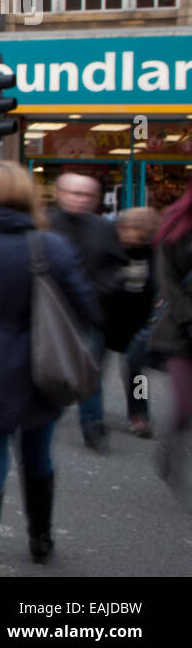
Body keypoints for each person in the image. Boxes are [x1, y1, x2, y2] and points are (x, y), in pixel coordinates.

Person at [0, 163, 97, 576]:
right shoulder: (51, 247)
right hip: (39, 372)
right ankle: (40, 537)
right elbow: (86, 310)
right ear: (31, 198)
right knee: (37, 456)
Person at [49, 173, 128, 450]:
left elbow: (118, 265)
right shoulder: (46, 224)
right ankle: (39, 419)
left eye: (87, 195)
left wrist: (104, 287)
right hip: (52, 312)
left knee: (89, 372)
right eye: (74, 193)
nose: (80, 199)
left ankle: (92, 424)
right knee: (45, 368)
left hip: (92, 311)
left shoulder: (104, 228)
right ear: (59, 193)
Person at [150, 179, 192, 502]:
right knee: (184, 406)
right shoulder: (175, 225)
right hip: (182, 330)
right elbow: (167, 282)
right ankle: (168, 448)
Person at [109, 207, 161, 437]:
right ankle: (91, 418)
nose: (125, 232)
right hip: (111, 320)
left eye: (131, 228)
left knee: (135, 370)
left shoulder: (156, 253)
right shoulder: (114, 249)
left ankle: (139, 415)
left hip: (142, 323)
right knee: (94, 370)